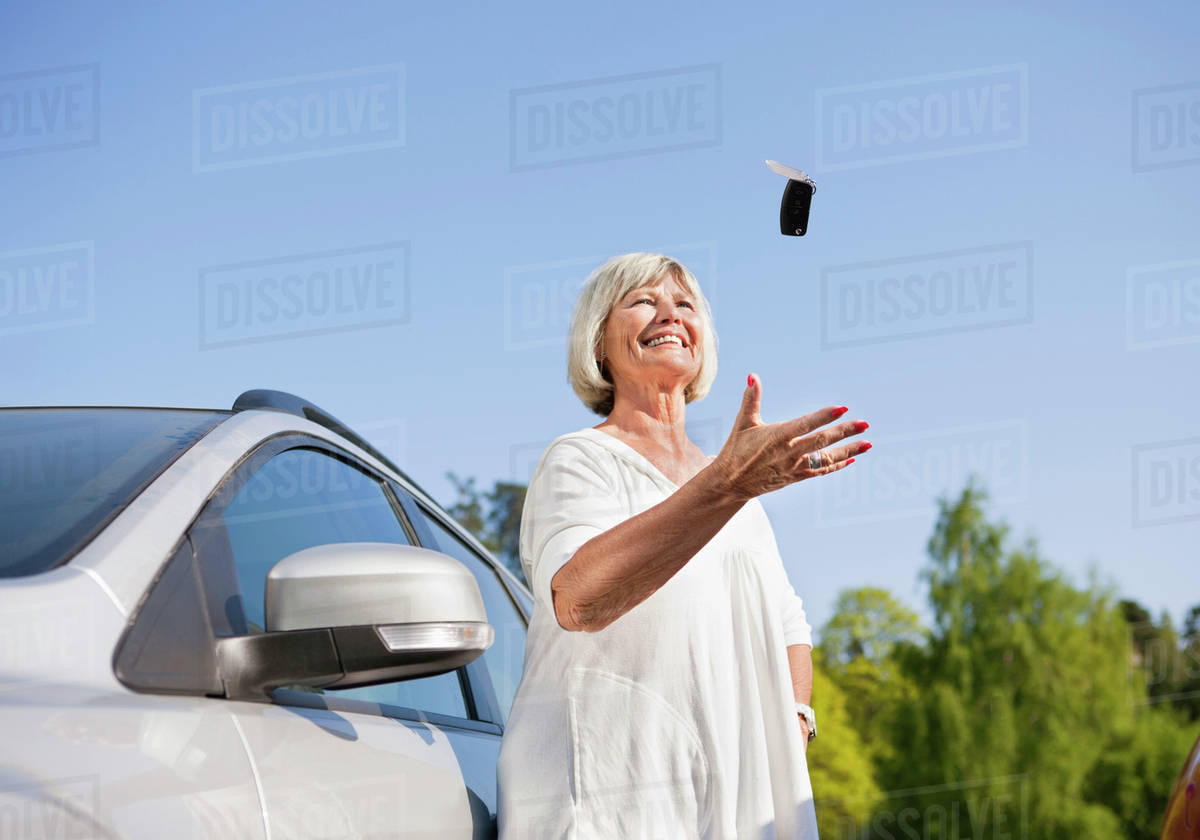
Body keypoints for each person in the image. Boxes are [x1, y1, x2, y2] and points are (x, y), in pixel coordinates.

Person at [496, 252, 871, 838]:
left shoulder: (735, 486)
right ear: (599, 344)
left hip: (734, 804)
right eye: (643, 300)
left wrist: (794, 723)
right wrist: (730, 482)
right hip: (613, 797)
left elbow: (788, 622)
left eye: (685, 304)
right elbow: (577, 599)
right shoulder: (580, 459)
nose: (669, 312)